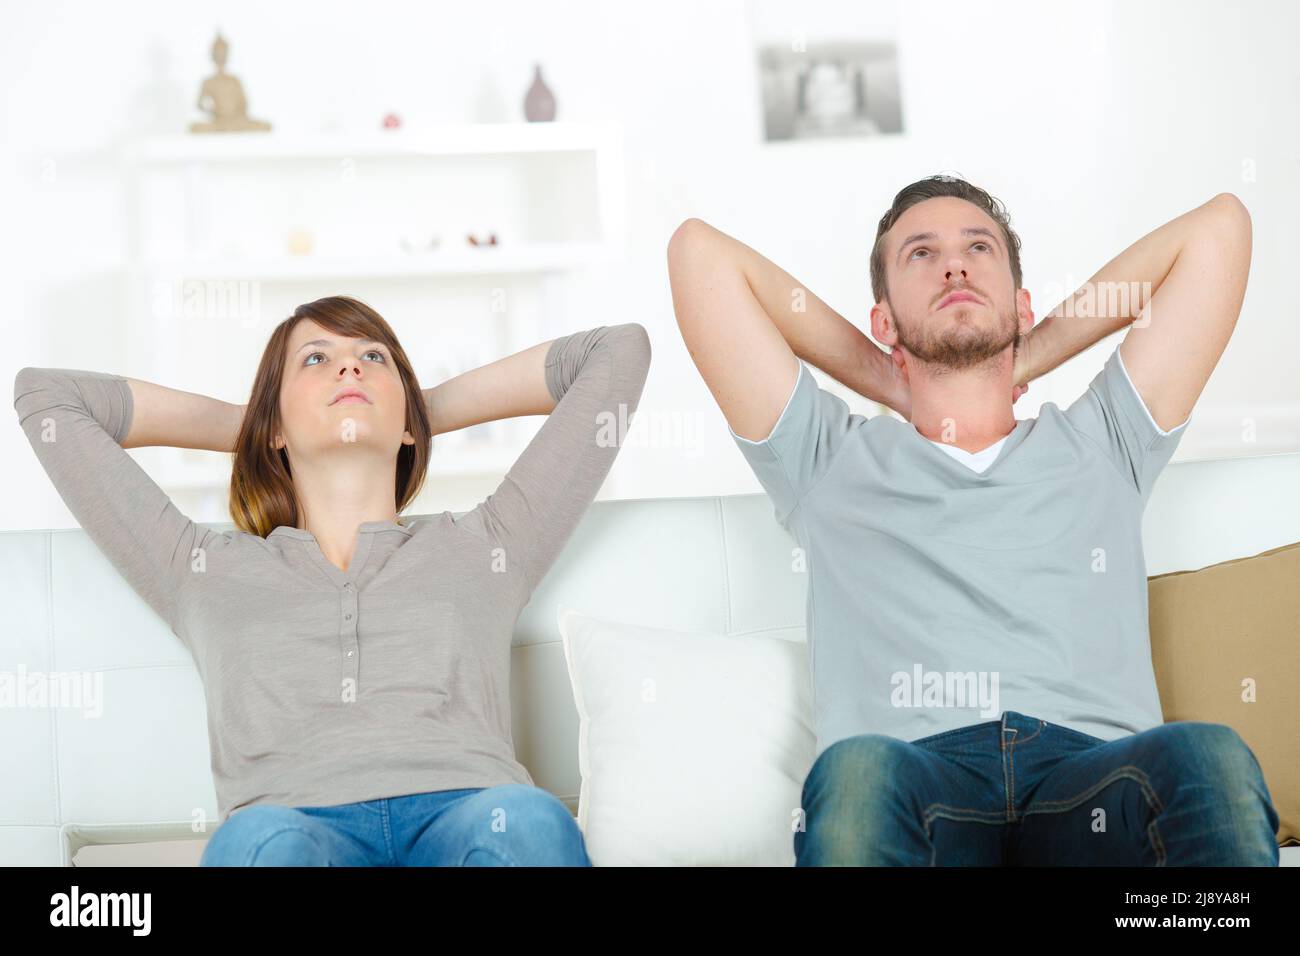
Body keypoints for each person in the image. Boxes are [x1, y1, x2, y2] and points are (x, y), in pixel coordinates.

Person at [666, 175, 1278, 865]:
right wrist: (887, 373)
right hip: (915, 780)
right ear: (884, 320)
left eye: (978, 247)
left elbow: (1220, 230)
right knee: (858, 772)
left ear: (1022, 303)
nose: (954, 264)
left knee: (1209, 756)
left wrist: (1027, 349)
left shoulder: (1105, 442)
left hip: (1094, 784)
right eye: (920, 254)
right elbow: (698, 257)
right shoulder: (827, 461)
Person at [13, 294, 651, 866]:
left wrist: (411, 412)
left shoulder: (489, 543)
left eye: (374, 357)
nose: (350, 367)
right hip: (290, 826)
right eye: (315, 360)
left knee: (532, 825)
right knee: (257, 846)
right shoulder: (200, 567)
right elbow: (47, 398)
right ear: (275, 429)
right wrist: (256, 425)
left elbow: (617, 352)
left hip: (474, 813)